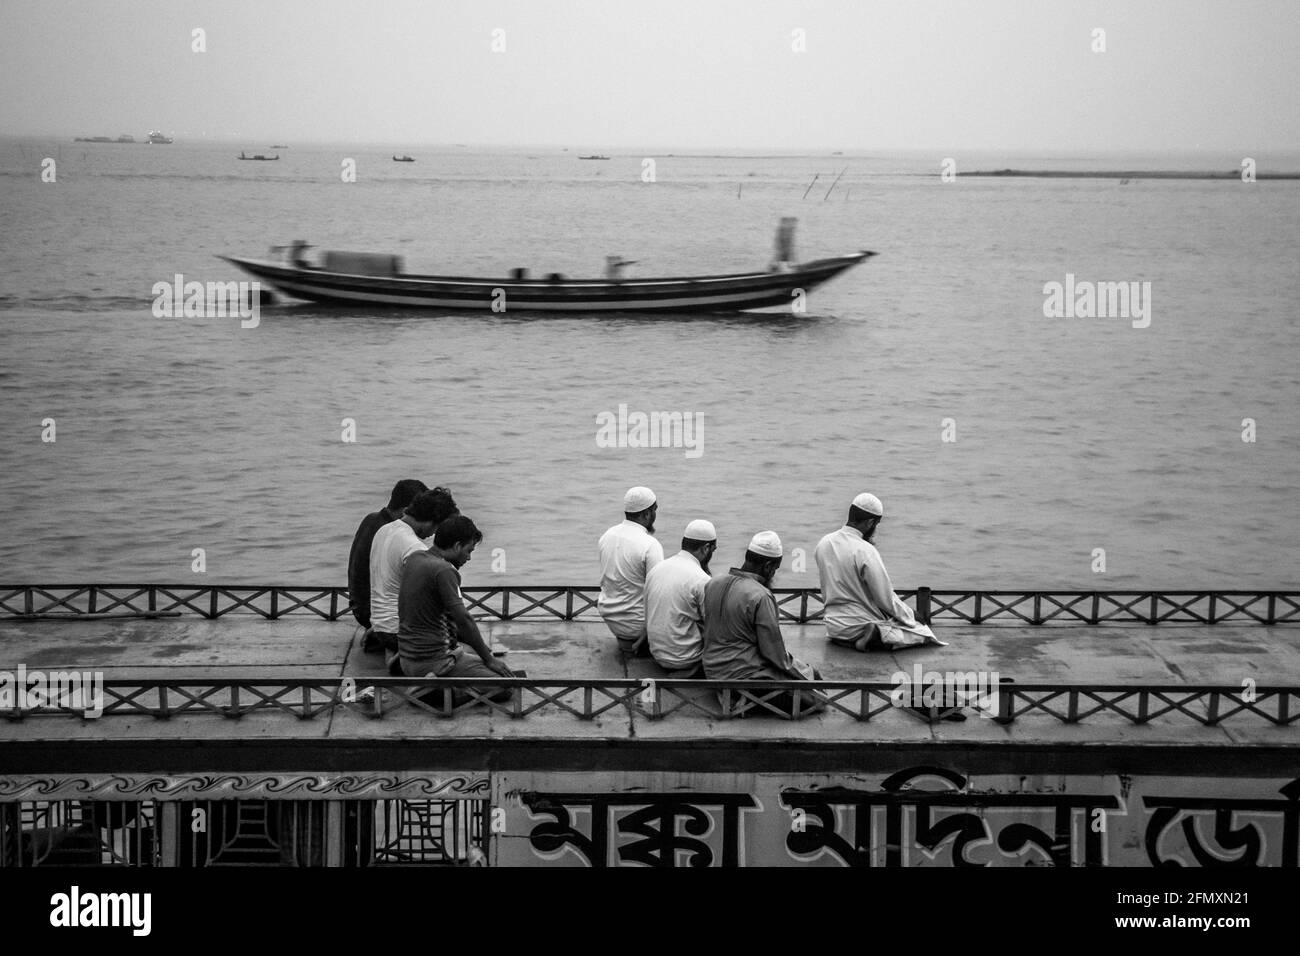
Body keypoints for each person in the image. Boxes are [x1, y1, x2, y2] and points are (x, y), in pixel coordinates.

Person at [701, 531, 825, 717]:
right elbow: (775, 656)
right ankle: (743, 701)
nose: (773, 575)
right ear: (768, 567)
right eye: (775, 570)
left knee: (805, 679)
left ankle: (737, 697)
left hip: (711, 670)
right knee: (818, 700)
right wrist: (807, 672)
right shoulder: (760, 596)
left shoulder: (713, 583)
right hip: (743, 676)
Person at [398, 515, 514, 706]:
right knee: (505, 686)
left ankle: (436, 683)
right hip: (435, 661)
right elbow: (464, 619)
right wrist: (489, 659)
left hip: (407, 659)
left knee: (472, 651)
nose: (468, 557)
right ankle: (437, 693)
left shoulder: (415, 558)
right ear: (458, 546)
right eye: (469, 551)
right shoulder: (444, 570)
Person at [814, 492, 947, 651]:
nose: (875, 530)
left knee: (896, 624)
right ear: (870, 522)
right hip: (860, 625)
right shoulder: (865, 551)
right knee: (922, 634)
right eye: (876, 525)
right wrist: (911, 615)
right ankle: (874, 635)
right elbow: (885, 599)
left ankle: (849, 639)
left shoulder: (823, 543)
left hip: (833, 626)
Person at [369, 487, 458, 673]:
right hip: (399, 629)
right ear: (430, 520)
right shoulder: (413, 547)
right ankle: (406, 660)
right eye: (436, 527)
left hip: (378, 624)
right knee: (453, 640)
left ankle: (395, 653)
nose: (433, 534)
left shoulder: (384, 530)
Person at [348, 478, 427, 651]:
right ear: (407, 510)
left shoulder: (371, 519)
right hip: (370, 612)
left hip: (360, 606)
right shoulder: (392, 531)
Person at [597, 486, 665, 656]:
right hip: (637, 625)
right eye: (655, 510)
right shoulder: (650, 545)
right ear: (647, 514)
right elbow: (658, 593)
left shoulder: (607, 535)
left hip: (609, 616)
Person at [644, 519, 716, 675]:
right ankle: (691, 671)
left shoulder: (657, 569)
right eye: (713, 550)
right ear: (706, 548)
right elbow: (712, 626)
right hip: (685, 659)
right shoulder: (702, 580)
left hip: (656, 653)